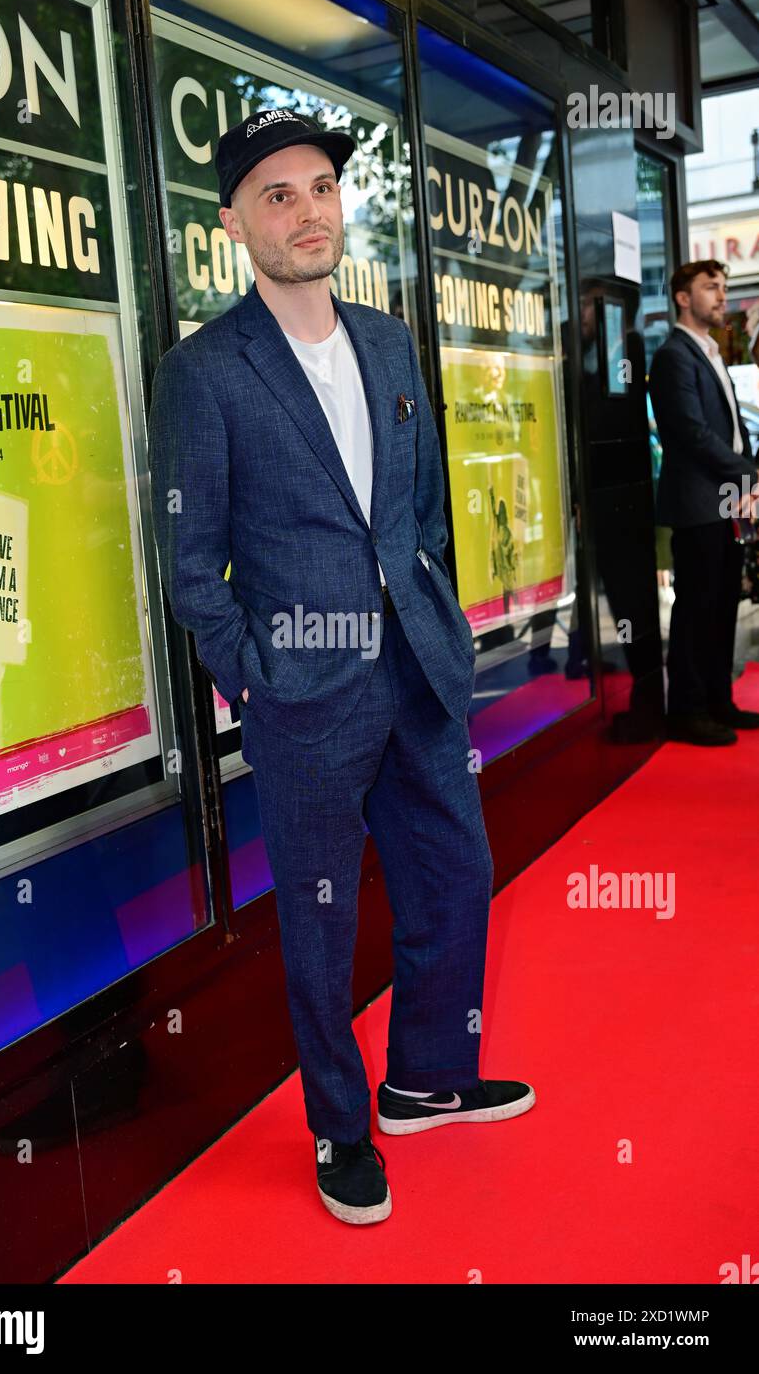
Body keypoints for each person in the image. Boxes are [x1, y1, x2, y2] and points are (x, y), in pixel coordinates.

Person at [147, 110, 534, 1226]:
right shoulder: (203, 372)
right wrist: (253, 677)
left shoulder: (386, 337)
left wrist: (439, 621)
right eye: (277, 195)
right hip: (302, 697)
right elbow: (190, 565)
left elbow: (414, 511)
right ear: (232, 222)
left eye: (319, 187)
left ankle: (422, 1075)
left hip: (414, 667)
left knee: (454, 875)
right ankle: (338, 1127)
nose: (307, 210)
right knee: (318, 921)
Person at [648, 260, 759, 746]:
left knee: (722, 607)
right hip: (697, 503)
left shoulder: (711, 351)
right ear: (682, 297)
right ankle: (687, 711)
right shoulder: (675, 355)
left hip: (728, 501)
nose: (720, 296)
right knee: (695, 610)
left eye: (723, 287)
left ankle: (719, 701)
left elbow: (733, 430)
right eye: (710, 288)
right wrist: (751, 471)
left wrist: (748, 476)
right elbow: (691, 433)